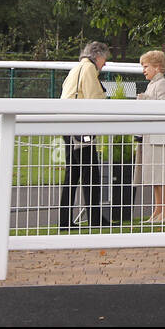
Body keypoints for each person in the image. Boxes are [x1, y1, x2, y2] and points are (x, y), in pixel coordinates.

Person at [59, 41, 111, 229]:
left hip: (70, 127)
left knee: (73, 174)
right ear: (97, 56)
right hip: (80, 129)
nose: (104, 64)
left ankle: (66, 220)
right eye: (104, 60)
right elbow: (93, 98)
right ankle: (94, 219)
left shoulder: (77, 68)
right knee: (91, 173)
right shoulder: (88, 69)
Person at [135, 50, 165, 223]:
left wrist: (144, 100)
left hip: (160, 136)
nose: (144, 70)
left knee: (161, 173)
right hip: (151, 134)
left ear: (157, 67)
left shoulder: (164, 84)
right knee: (153, 175)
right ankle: (158, 208)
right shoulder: (152, 84)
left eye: (146, 66)